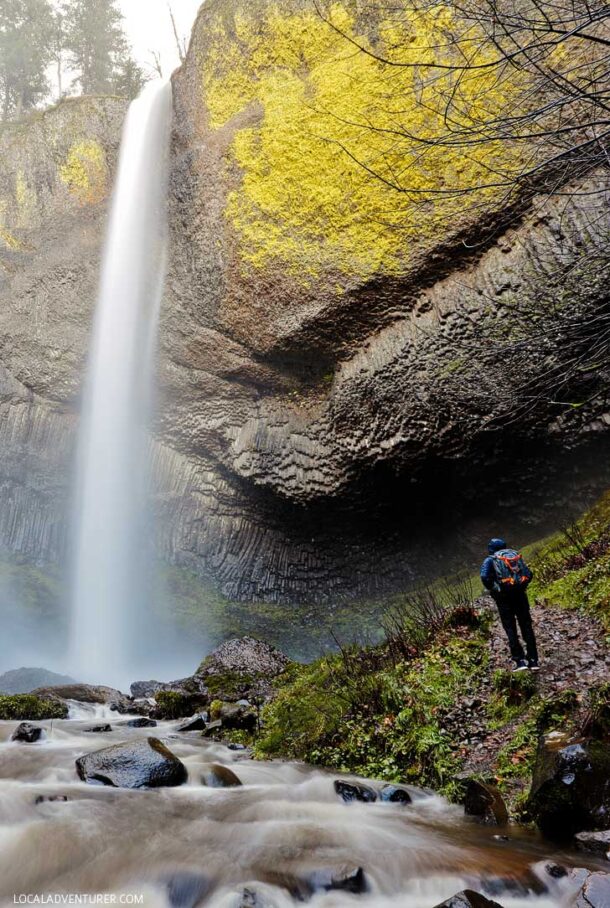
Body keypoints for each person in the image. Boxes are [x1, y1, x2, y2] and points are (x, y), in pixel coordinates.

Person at [480, 538, 539, 672]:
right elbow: (529, 574)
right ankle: (533, 660)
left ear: (491, 548)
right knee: (526, 626)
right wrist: (521, 586)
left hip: (504, 599)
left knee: (510, 628)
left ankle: (519, 661)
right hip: (520, 596)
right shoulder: (514, 557)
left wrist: (496, 588)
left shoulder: (490, 560)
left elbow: (484, 577)